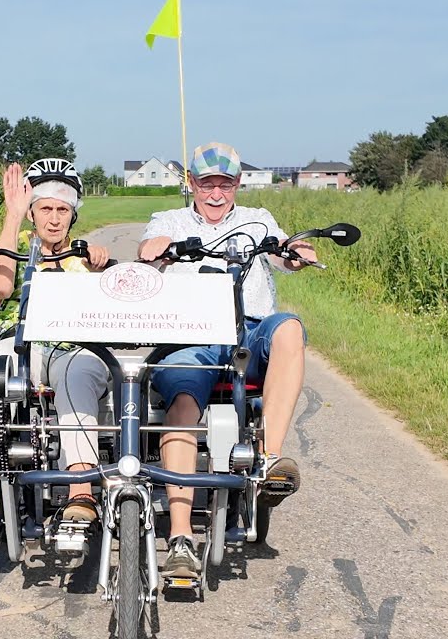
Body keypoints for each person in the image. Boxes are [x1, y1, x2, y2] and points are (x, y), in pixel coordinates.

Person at [136, 142, 318, 579]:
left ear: (237, 184)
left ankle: (268, 461)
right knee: (181, 404)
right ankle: (181, 538)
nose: (216, 193)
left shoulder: (257, 219)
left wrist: (296, 252)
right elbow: (149, 251)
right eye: (206, 184)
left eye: (225, 184)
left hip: (247, 330)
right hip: (190, 333)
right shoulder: (171, 220)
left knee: (290, 327)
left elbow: (282, 252)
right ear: (192, 184)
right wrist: (159, 246)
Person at [0, 158, 112, 536]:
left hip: (72, 346)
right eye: (44, 209)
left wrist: (100, 264)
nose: (53, 219)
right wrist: (12, 216)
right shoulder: (16, 247)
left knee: (79, 370)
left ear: (72, 215)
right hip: (20, 342)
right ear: (32, 213)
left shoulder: (84, 254)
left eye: (62, 210)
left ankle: (81, 489)